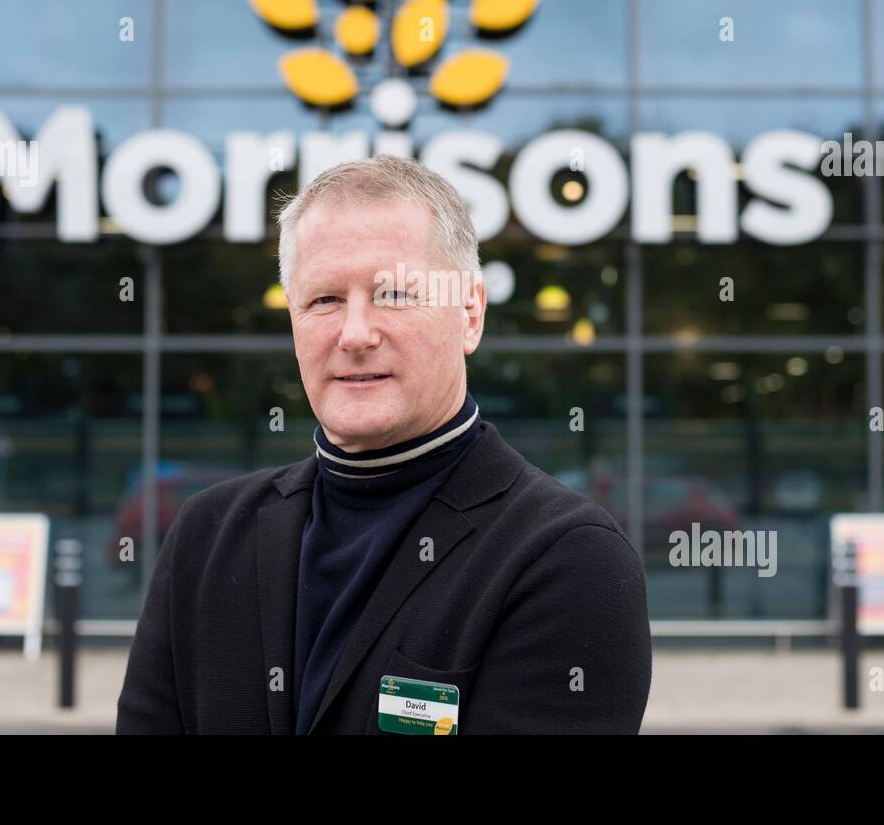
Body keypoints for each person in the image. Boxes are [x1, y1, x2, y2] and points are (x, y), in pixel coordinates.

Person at [116, 154, 651, 734]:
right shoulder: (207, 538)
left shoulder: (566, 560)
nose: (355, 335)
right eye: (324, 300)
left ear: (469, 314)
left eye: (394, 294)